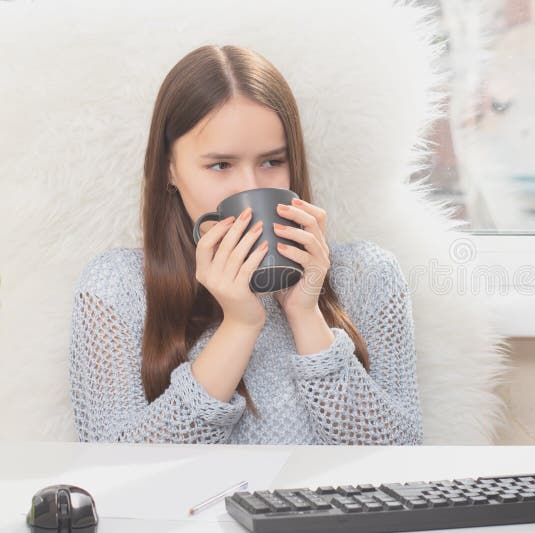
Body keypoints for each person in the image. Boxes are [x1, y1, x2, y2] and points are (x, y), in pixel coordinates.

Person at [67, 44, 424, 445]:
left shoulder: (366, 275)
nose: (251, 188)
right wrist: (239, 326)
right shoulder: (116, 287)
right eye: (220, 165)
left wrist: (305, 313)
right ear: (169, 168)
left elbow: (399, 454)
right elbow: (114, 465)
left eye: (272, 162)